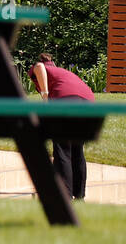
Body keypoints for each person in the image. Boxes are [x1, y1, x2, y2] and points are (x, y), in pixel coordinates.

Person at [27, 52, 93, 200]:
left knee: (63, 148)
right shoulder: (62, 72)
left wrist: (44, 97)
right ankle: (79, 195)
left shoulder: (42, 67)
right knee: (77, 149)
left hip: (67, 101)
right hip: (88, 104)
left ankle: (65, 194)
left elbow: (39, 67)